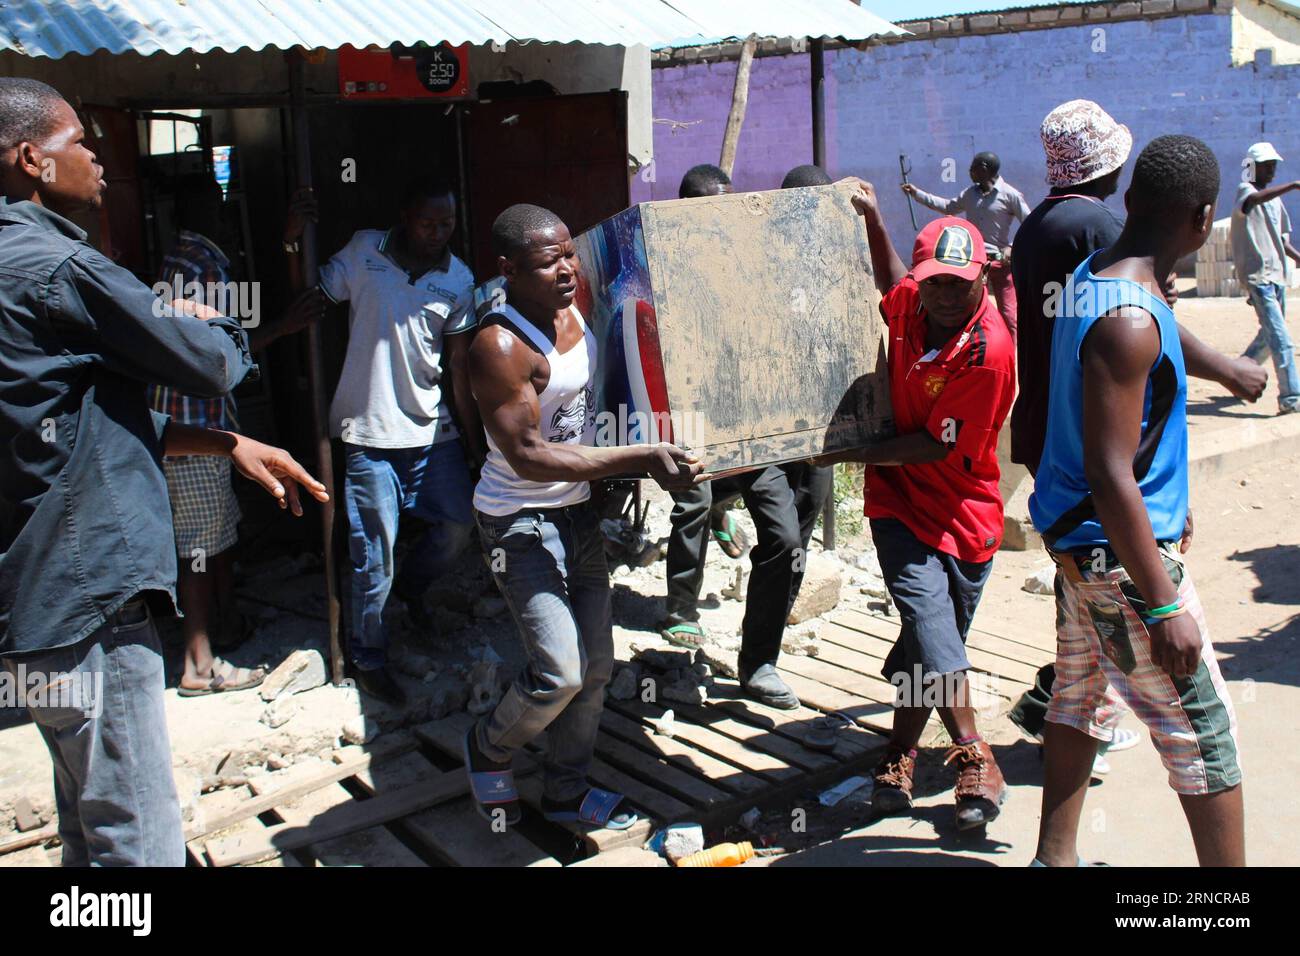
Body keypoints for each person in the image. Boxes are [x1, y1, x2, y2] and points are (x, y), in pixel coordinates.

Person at [0, 78, 328, 866]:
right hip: (93, 604)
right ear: (30, 159)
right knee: (136, 837)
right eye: (82, 143)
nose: (100, 161)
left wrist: (225, 447)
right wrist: (212, 326)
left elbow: (71, 429)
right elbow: (209, 365)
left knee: (88, 819)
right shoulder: (59, 266)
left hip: (36, 610)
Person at [1009, 101, 1266, 768]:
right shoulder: (1102, 234)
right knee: (1205, 738)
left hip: (1054, 447)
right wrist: (1162, 603)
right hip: (1100, 470)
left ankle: (1057, 836)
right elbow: (1136, 325)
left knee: (1081, 671)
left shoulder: (1040, 225)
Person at [463, 203, 702, 829]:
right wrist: (641, 455)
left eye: (569, 254)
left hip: (577, 517)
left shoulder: (578, 312)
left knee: (595, 670)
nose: (567, 269)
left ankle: (565, 792)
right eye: (549, 263)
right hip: (517, 524)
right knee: (559, 670)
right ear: (509, 269)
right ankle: (489, 745)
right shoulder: (499, 345)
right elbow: (532, 456)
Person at [821, 184, 1015, 830]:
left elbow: (935, 446)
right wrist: (876, 218)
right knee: (930, 620)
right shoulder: (913, 302)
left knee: (927, 644)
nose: (943, 297)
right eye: (935, 283)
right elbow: (892, 280)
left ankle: (899, 752)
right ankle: (975, 756)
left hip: (963, 509)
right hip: (898, 502)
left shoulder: (989, 351)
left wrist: (850, 453)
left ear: (981, 275)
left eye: (958, 285)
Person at [285, 176, 485, 706]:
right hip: (368, 433)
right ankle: (368, 655)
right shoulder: (363, 251)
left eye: (447, 223)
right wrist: (290, 240)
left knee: (458, 525)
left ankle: (412, 592)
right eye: (428, 222)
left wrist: (473, 442)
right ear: (404, 215)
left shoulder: (458, 279)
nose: (438, 233)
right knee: (373, 557)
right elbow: (312, 298)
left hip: (430, 434)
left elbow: (459, 367)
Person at [654, 164, 819, 712]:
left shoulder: (750, 260)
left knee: (785, 538)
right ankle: (681, 609)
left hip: (751, 428)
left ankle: (759, 663)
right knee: (692, 506)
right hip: (695, 423)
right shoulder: (666, 264)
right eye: (713, 207)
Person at [153, 171, 326, 697]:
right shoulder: (197, 266)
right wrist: (281, 329)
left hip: (201, 429)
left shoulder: (195, 261)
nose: (228, 217)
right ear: (198, 213)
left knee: (216, 539)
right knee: (199, 550)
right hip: (195, 434)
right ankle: (198, 665)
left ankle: (223, 629)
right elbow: (211, 355)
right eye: (218, 207)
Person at [904, 151, 1029, 340]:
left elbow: (1029, 223)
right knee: (975, 314)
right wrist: (917, 194)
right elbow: (948, 207)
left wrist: (1012, 247)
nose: (970, 172)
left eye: (973, 168)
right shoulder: (970, 194)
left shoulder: (1010, 195)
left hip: (1001, 265)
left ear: (984, 169)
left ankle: (1009, 359)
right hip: (975, 266)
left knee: (1009, 316)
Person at [1232, 141, 1300, 414]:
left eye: (1274, 166)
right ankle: (1291, 398)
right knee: (1281, 339)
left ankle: (1238, 371)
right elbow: (1251, 202)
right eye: (1267, 166)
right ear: (1252, 168)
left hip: (1278, 276)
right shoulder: (1245, 192)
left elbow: (1282, 240)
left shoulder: (1275, 201)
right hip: (1258, 276)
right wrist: (1293, 185)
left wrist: (1297, 258)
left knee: (1268, 337)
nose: (1272, 171)